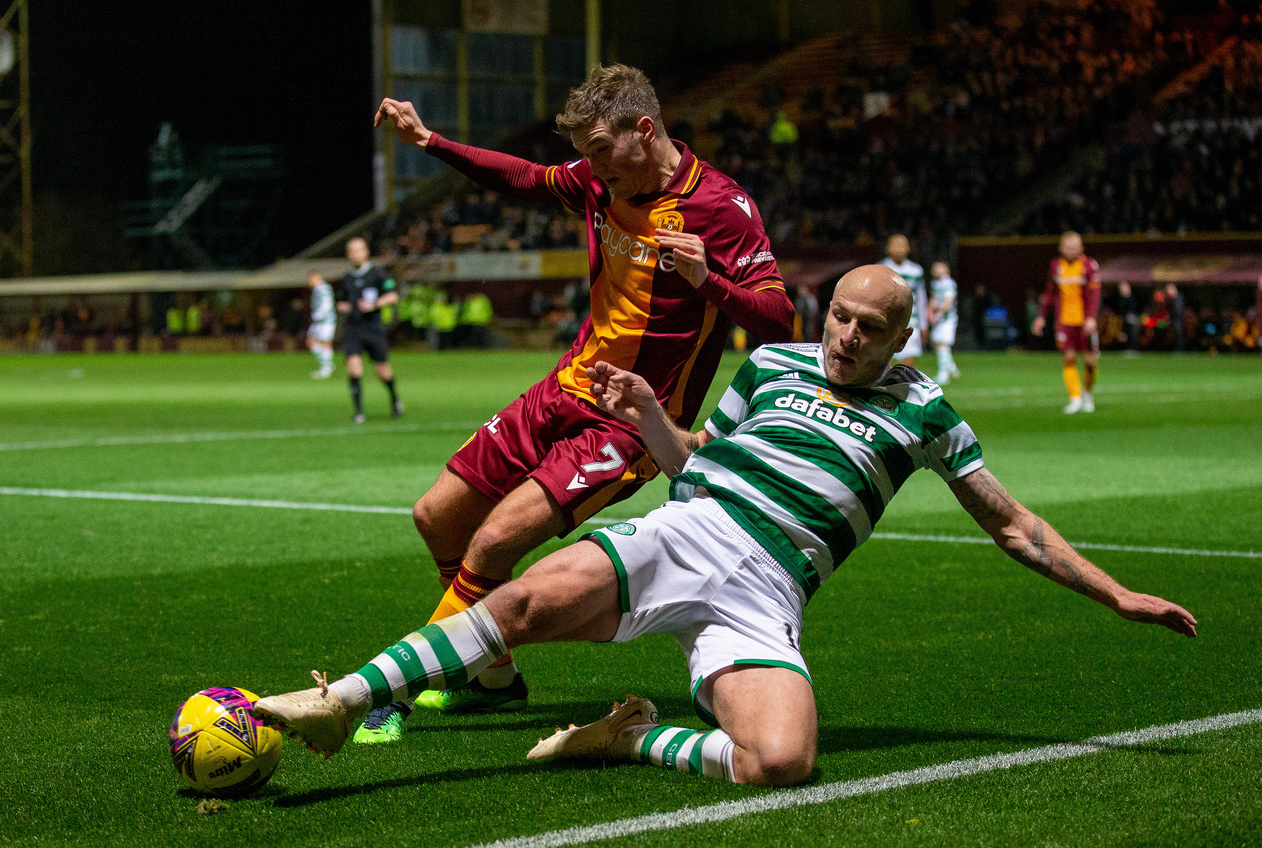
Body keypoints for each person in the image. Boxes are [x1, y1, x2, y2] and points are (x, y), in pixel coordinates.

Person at [253, 265, 1196, 787]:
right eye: (839, 317)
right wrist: (647, 417)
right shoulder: (773, 365)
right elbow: (697, 460)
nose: (846, 337)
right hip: (693, 529)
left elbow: (1014, 525)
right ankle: (342, 704)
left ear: (902, 338)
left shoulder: (926, 413)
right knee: (526, 597)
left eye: (870, 328)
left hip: (770, 588)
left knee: (780, 760)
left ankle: (626, 737)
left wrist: (1113, 593)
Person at [355, 64, 792, 738]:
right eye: (586, 154)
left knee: (494, 540)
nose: (590, 168)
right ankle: (491, 676)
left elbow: (780, 321)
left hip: (631, 423)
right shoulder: (598, 179)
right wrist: (430, 141)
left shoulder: (721, 210)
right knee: (438, 515)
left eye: (600, 150)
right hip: (566, 387)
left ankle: (399, 690)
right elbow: (528, 178)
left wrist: (710, 282)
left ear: (643, 130)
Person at [1032, 232, 1101, 414]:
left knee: (1090, 361)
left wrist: (1092, 317)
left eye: (1075, 247)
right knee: (1069, 358)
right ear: (1061, 249)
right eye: (1068, 247)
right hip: (1064, 321)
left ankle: (1087, 393)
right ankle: (1075, 398)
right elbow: (1050, 294)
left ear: (1081, 248)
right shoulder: (1056, 266)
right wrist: (1041, 317)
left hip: (1085, 321)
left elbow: (1094, 295)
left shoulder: (1089, 266)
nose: (1071, 251)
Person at [336, 237, 403, 424]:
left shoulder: (378, 274)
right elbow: (340, 301)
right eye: (352, 251)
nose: (355, 254)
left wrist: (374, 304)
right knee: (353, 367)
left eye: (359, 250)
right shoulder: (346, 279)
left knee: (382, 371)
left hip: (373, 328)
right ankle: (358, 411)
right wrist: (344, 307)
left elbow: (393, 296)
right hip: (353, 329)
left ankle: (395, 398)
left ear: (366, 252)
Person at [878, 234, 927, 367]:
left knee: (909, 364)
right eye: (896, 245)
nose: (899, 249)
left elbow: (921, 298)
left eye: (903, 245)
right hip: (887, 322)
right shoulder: (880, 269)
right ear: (888, 248)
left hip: (912, 322)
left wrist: (924, 324)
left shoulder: (916, 271)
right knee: (885, 362)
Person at [927, 261, 960, 384]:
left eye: (938, 267)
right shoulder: (935, 283)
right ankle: (952, 368)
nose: (935, 269)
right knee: (936, 342)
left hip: (947, 319)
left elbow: (948, 302)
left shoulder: (948, 283)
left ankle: (944, 373)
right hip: (939, 318)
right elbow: (934, 299)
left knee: (943, 344)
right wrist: (930, 313)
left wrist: (938, 314)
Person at [305, 271, 336, 379]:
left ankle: (326, 368)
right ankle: (327, 363)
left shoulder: (323, 288)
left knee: (325, 343)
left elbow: (327, 304)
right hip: (318, 321)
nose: (310, 281)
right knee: (310, 342)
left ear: (317, 277)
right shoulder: (317, 289)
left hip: (326, 321)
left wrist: (320, 314)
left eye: (311, 278)